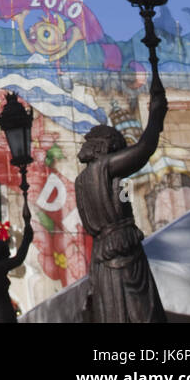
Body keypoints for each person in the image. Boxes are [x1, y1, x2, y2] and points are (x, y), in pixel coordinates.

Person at [75, 80, 168, 323]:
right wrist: (155, 116)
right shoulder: (103, 168)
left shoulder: (82, 181)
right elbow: (144, 148)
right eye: (117, 149)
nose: (119, 156)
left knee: (113, 312)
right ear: (105, 147)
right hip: (122, 254)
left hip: (104, 259)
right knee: (139, 313)